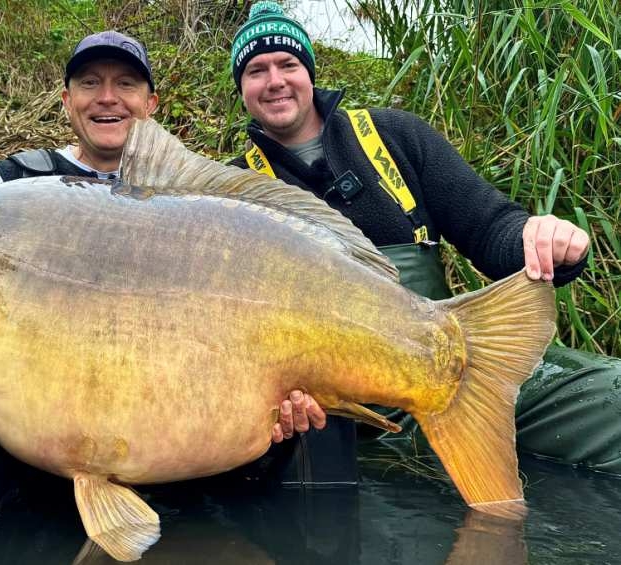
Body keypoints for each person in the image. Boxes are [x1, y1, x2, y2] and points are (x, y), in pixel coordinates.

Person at [0, 29, 331, 556]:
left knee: (323, 435)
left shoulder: (202, 199)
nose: (107, 97)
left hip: (188, 435)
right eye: (89, 83)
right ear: (66, 99)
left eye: (125, 84)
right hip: (25, 445)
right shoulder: (6, 187)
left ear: (151, 103)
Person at [227, 1, 621, 473]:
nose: (275, 80)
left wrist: (541, 240)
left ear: (309, 73)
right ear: (242, 89)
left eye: (288, 64)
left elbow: (489, 227)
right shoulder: (231, 189)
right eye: (256, 71)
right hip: (331, 419)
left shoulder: (394, 135)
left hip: (451, 367)